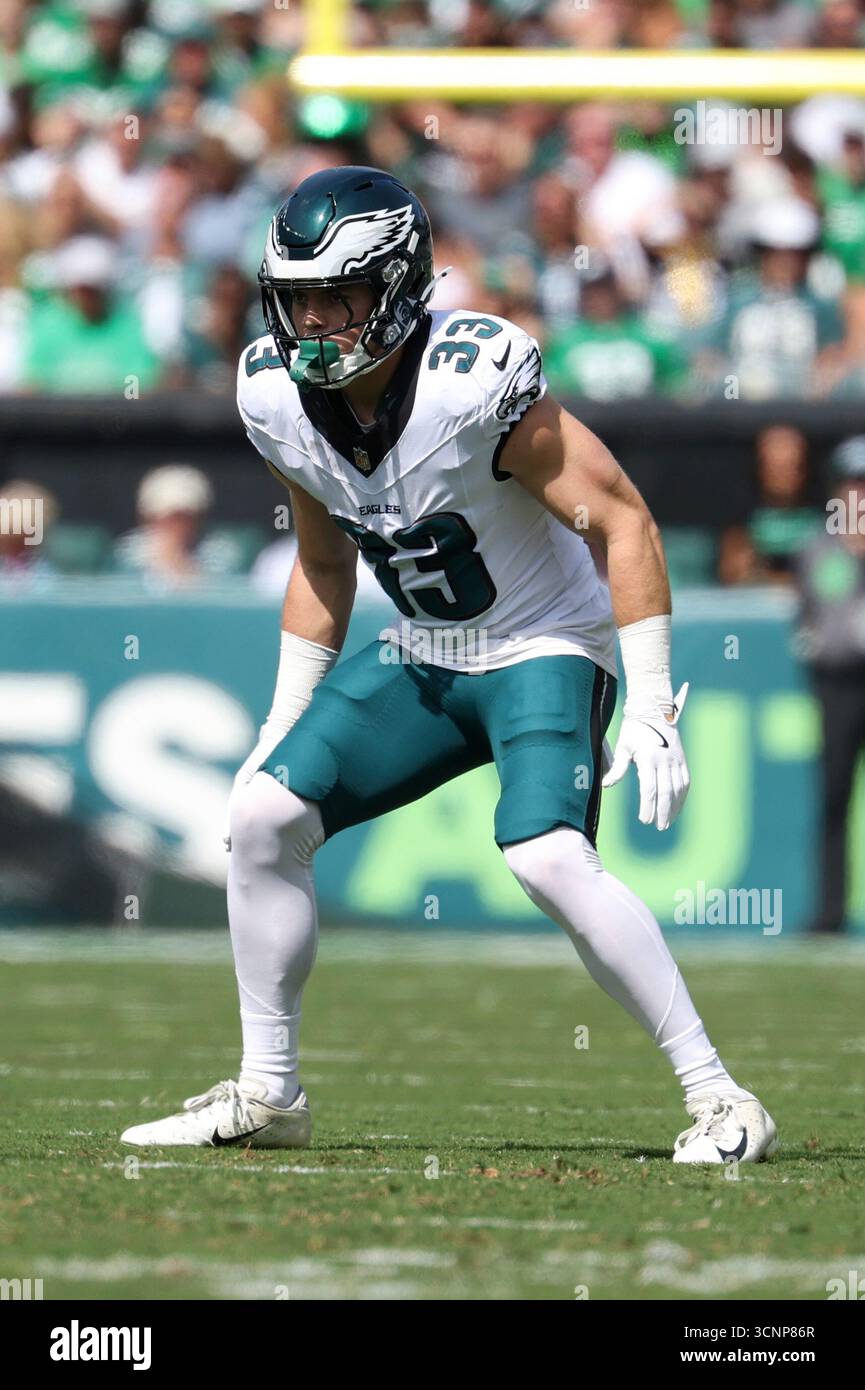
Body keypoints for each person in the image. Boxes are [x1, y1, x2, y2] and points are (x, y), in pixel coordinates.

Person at [121, 165, 779, 1164]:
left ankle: (721, 1097)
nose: (311, 327)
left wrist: (649, 701)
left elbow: (624, 520)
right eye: (294, 301)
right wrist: (281, 721)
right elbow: (322, 557)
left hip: (542, 641)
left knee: (546, 856)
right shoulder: (275, 395)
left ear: (394, 287)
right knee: (262, 815)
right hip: (426, 649)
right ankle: (269, 1091)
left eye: (335, 299)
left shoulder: (475, 380)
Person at [794, 435, 865, 935]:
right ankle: (830, 911)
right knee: (834, 793)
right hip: (838, 684)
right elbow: (810, 618)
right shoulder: (817, 550)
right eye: (852, 486)